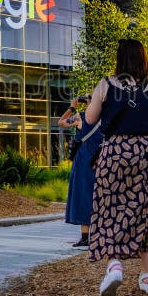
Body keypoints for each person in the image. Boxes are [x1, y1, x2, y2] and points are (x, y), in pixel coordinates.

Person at [84, 39, 148, 296]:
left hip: (116, 152)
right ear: (143, 59)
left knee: (110, 207)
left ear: (120, 59)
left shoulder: (105, 84)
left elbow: (90, 119)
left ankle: (114, 265)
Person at [58, 95, 102, 247]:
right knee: (100, 196)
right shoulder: (106, 118)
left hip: (84, 161)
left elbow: (61, 122)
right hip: (101, 161)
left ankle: (85, 237)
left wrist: (72, 107)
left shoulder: (79, 117)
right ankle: (101, 235)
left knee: (83, 195)